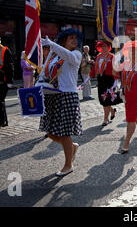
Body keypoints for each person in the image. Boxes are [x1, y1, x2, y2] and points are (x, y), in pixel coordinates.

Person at [40, 28, 83, 177]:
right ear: (63, 40)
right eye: (71, 38)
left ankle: (68, 165)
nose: (74, 41)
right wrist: (38, 84)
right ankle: (72, 147)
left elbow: (70, 57)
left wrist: (52, 45)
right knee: (50, 132)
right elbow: (44, 72)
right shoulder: (54, 55)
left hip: (68, 95)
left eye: (75, 38)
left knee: (64, 132)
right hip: (52, 95)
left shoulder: (76, 54)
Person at [90, 40, 120, 126]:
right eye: (102, 46)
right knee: (102, 99)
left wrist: (116, 81)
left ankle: (105, 119)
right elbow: (94, 68)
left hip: (109, 79)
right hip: (101, 79)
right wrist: (89, 76)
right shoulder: (98, 56)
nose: (103, 48)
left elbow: (116, 69)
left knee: (106, 99)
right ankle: (112, 111)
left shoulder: (112, 56)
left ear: (109, 48)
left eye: (105, 47)